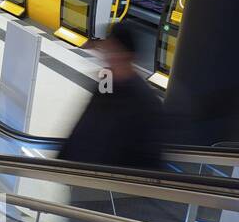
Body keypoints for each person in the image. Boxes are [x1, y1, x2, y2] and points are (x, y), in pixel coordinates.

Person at [59, 24, 164, 168]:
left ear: (128, 56)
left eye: (113, 52)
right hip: (87, 170)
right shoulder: (107, 81)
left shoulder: (146, 102)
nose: (108, 59)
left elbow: (148, 156)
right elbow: (88, 119)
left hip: (112, 179)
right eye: (107, 51)